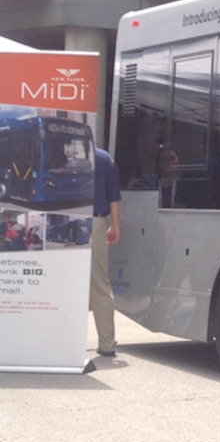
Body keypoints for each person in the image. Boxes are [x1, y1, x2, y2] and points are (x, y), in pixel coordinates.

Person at [91, 146, 122, 357]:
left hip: (60, 218)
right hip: (95, 223)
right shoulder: (102, 157)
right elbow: (114, 196)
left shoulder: (55, 150)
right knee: (100, 284)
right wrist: (115, 225)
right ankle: (107, 344)